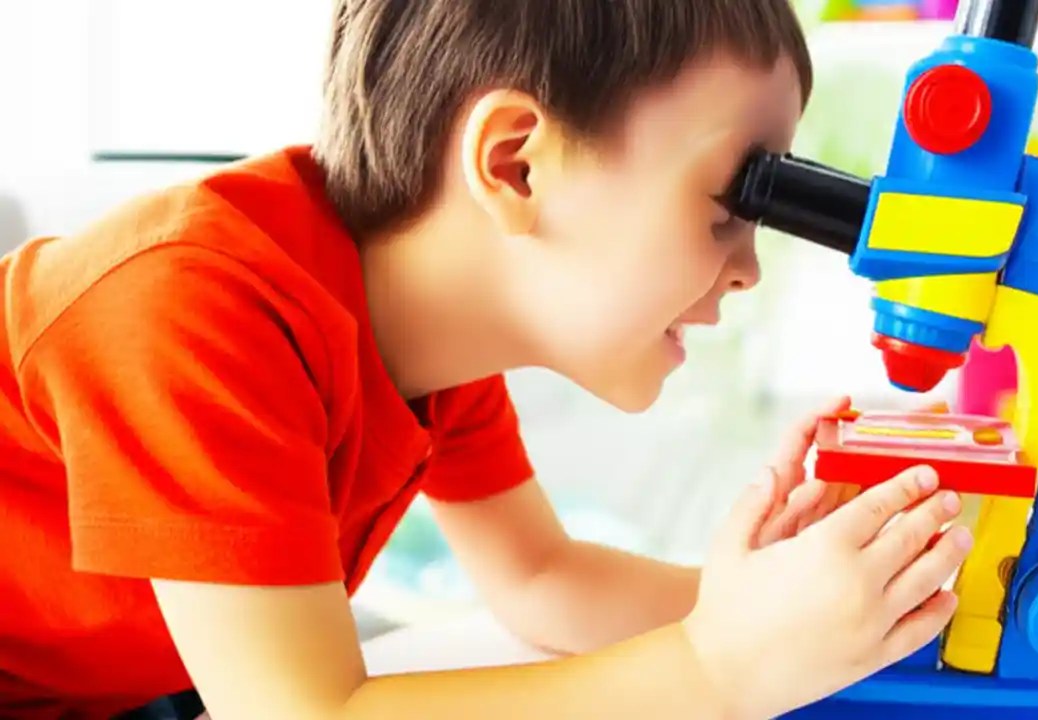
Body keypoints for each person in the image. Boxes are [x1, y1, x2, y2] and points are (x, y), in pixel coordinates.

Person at [0, 1, 973, 717]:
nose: (747, 269)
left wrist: (793, 601)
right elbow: (299, 713)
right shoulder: (195, 309)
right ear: (515, 163)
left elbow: (542, 577)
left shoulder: (426, 343)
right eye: (728, 209)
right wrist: (716, 670)